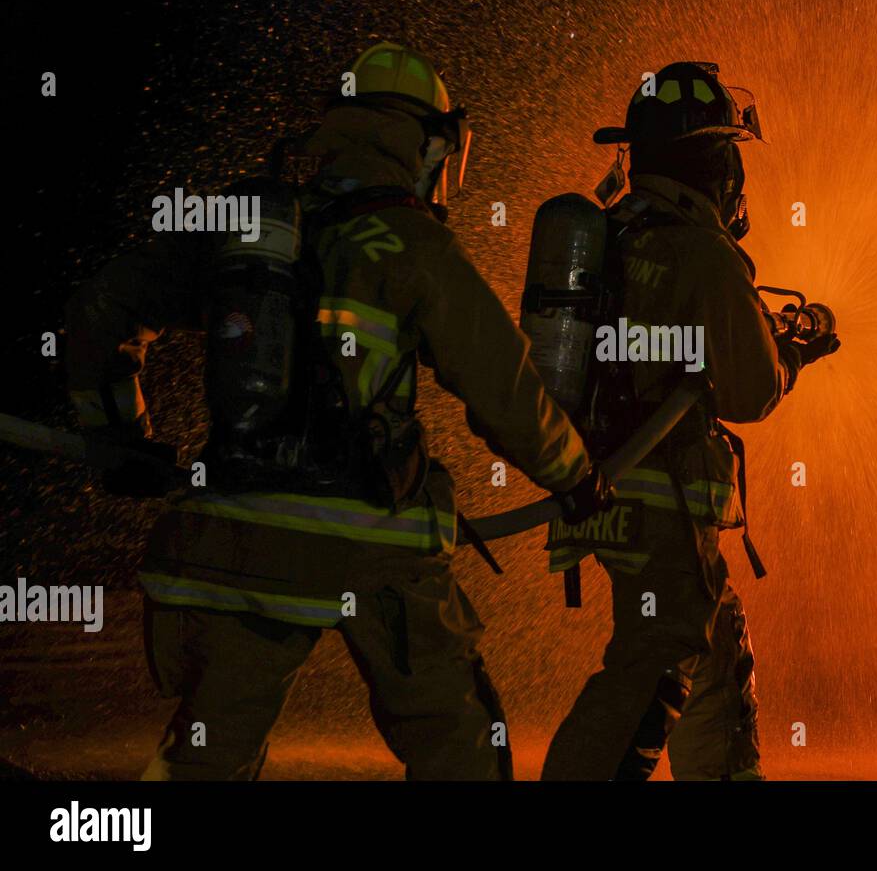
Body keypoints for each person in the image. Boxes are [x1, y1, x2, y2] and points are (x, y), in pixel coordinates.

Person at [64, 41, 607, 780]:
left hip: (234, 537)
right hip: (375, 544)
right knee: (460, 749)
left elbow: (103, 305)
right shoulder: (412, 242)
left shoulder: (247, 226)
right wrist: (574, 475)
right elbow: (502, 385)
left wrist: (117, 435)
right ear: (431, 141)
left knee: (204, 757)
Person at [541, 62, 838, 781]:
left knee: (711, 647)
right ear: (712, 159)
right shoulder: (702, 249)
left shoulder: (612, 235)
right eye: (730, 154)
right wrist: (792, 353)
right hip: (658, 497)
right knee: (657, 664)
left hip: (601, 493)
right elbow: (749, 390)